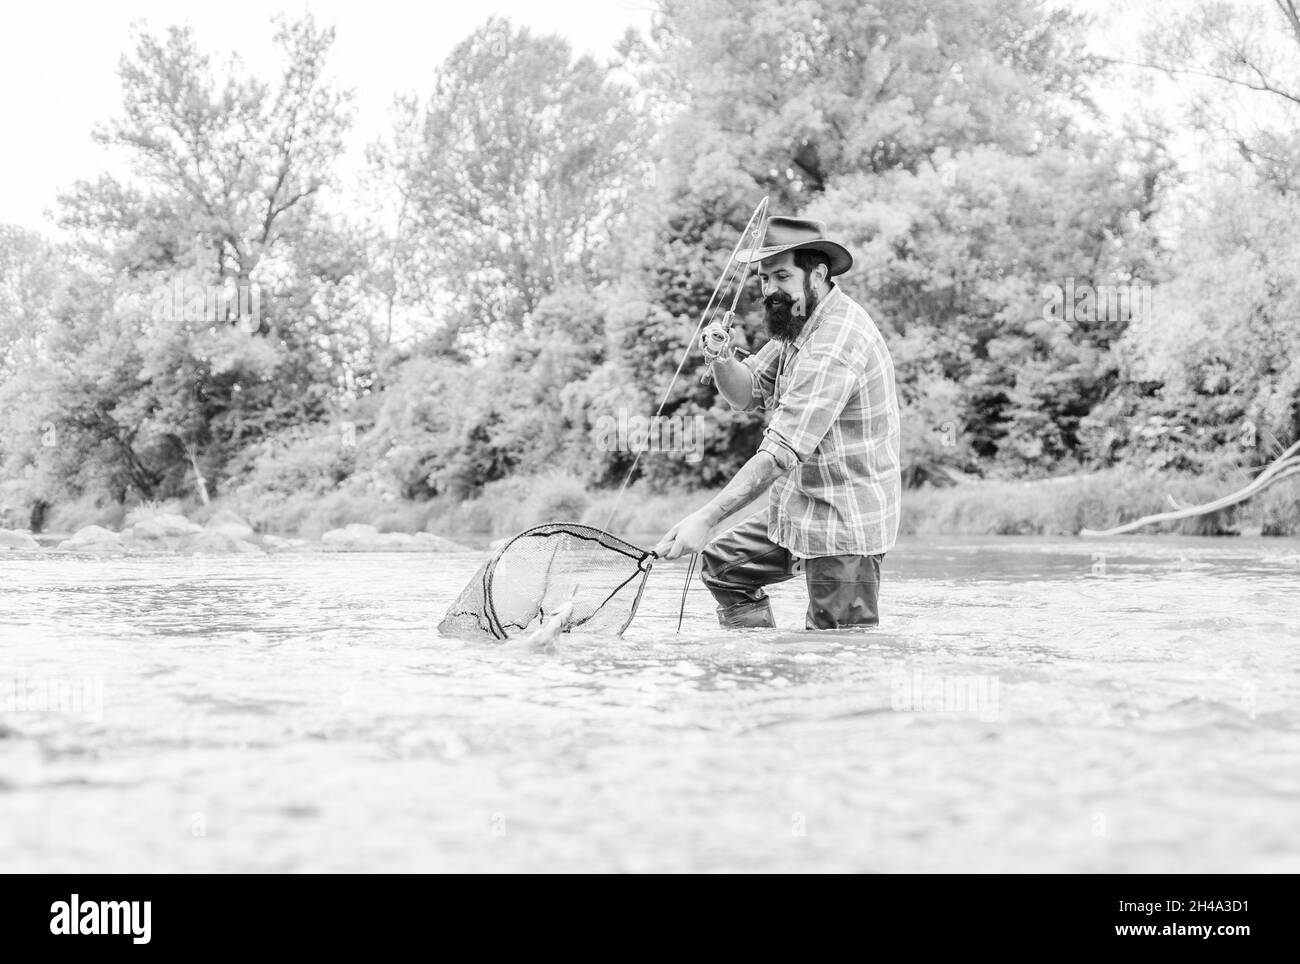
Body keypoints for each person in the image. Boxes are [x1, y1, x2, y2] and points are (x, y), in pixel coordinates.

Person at [654, 216, 901, 629]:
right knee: (724, 568)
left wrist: (706, 517)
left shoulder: (834, 344)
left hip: (846, 523)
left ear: (817, 274)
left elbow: (778, 453)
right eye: (764, 278)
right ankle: (762, 675)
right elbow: (746, 393)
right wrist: (721, 358)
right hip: (799, 508)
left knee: (836, 655)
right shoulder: (797, 322)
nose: (770, 289)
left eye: (782, 276)